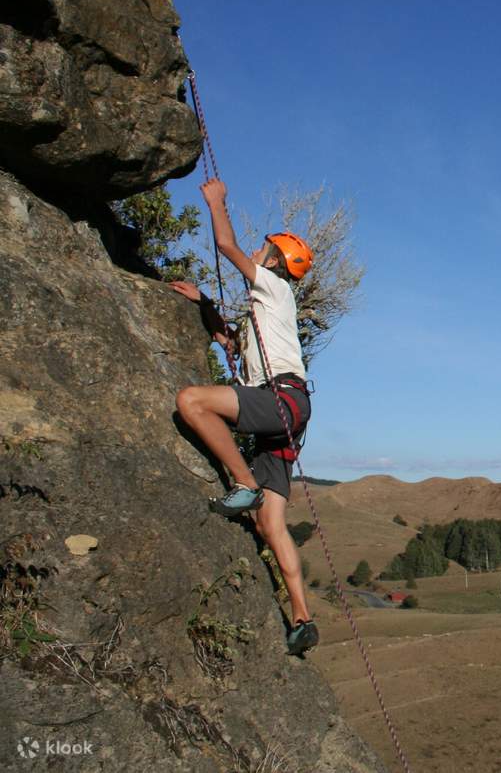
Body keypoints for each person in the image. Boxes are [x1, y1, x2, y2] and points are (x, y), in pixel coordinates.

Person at [170, 178, 319, 656]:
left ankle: (243, 483)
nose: (257, 252)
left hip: (282, 400)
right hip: (289, 408)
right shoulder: (265, 313)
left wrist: (216, 202)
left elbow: (226, 244)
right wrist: (205, 305)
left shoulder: (274, 287)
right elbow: (229, 344)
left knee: (192, 402)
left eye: (265, 248)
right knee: (271, 526)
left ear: (275, 261)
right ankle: (301, 618)